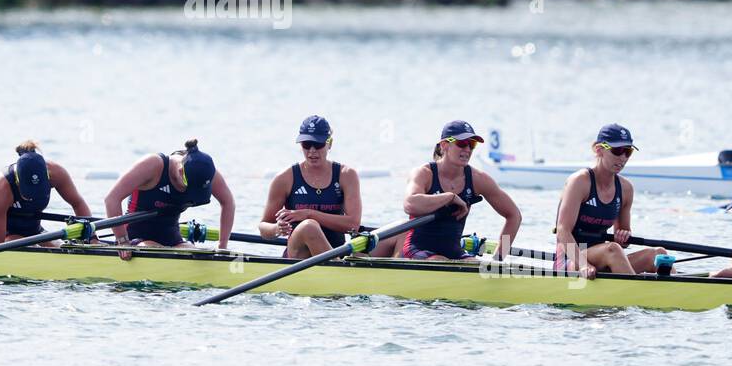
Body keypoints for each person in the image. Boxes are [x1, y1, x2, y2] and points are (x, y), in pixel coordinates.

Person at [373, 120, 522, 260]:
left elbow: (514, 216)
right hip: (416, 248)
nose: (468, 149)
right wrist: (449, 197)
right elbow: (410, 204)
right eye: (462, 143)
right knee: (438, 260)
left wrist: (498, 259)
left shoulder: (478, 179)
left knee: (476, 265)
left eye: (472, 144)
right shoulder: (424, 173)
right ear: (444, 145)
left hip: (453, 251)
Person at [554, 123, 667, 278]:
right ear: (598, 150)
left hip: (606, 258)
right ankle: (639, 297)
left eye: (627, 152)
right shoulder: (580, 181)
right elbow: (562, 231)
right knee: (612, 249)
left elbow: (623, 241)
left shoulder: (626, 189)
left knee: (658, 254)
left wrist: (624, 236)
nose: (622, 158)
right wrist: (585, 265)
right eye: (617, 150)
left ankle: (682, 290)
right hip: (571, 261)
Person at [103, 139, 234, 260]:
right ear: (180, 171)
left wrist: (222, 246)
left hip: (172, 237)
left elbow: (228, 202)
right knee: (153, 250)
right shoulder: (153, 165)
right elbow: (112, 199)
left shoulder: (205, 172)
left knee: (197, 255)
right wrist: (123, 242)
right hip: (134, 236)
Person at [258, 116, 362, 260]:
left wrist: (309, 214)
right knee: (308, 227)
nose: (312, 151)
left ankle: (336, 268)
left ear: (329, 143)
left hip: (336, 252)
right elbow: (263, 227)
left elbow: (353, 225)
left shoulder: (346, 175)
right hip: (298, 257)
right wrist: (277, 228)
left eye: (318, 144)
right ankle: (339, 273)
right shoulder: (284, 178)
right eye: (306, 144)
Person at [0, 140, 90, 245]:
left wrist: (91, 238)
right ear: (18, 181)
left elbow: (78, 204)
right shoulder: (0, 188)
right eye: (29, 192)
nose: (32, 198)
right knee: (33, 248)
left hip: (33, 231)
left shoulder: (56, 173)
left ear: (47, 176)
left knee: (60, 247)